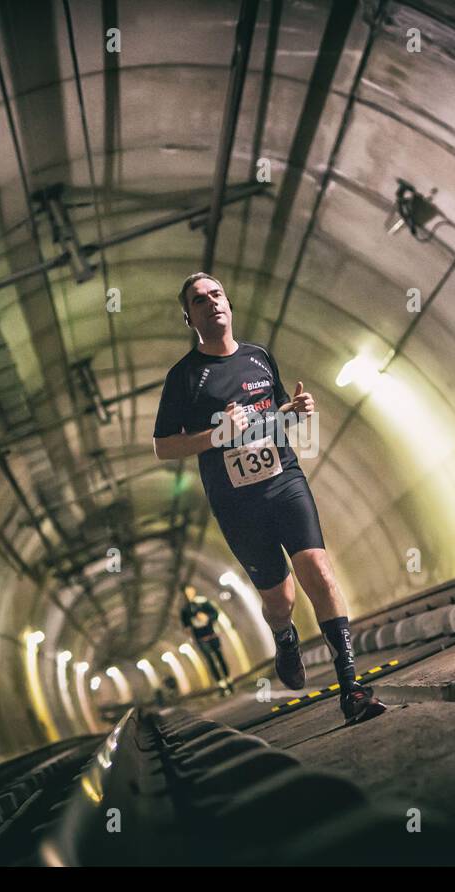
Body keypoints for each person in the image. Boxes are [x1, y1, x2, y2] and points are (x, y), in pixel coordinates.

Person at [152, 273, 386, 725]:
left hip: (284, 480)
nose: (211, 304)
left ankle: (351, 687)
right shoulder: (184, 379)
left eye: (217, 295)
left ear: (229, 304)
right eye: (199, 301)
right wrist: (217, 433)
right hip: (236, 502)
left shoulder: (259, 358)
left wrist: (295, 413)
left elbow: (274, 414)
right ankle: (284, 636)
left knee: (318, 570)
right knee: (281, 599)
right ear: (189, 317)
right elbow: (164, 445)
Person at [180, 584, 233, 695]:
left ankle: (229, 680)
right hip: (200, 638)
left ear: (193, 590)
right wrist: (190, 628)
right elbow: (185, 627)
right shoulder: (185, 610)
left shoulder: (203, 602)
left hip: (212, 634)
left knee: (220, 656)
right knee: (210, 660)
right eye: (186, 592)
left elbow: (215, 613)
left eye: (189, 591)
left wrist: (207, 617)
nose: (188, 594)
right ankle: (221, 685)